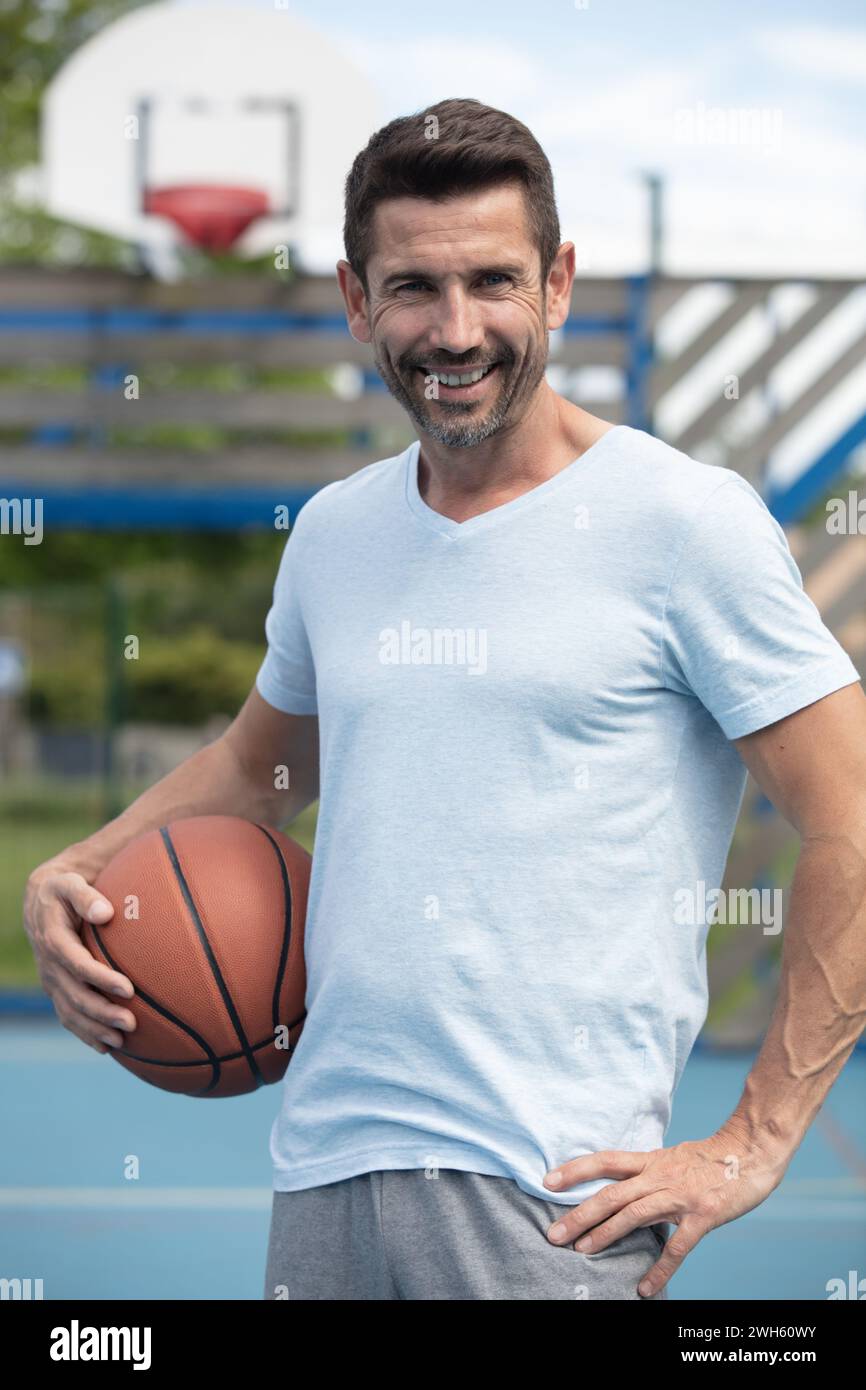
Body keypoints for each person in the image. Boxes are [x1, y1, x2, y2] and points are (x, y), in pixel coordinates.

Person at [24, 98, 866, 1302]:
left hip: (546, 1202)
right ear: (357, 299)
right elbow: (256, 769)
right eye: (413, 287)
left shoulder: (682, 523)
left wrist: (754, 1140)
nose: (454, 329)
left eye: (492, 281)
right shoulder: (334, 532)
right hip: (324, 1171)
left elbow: (850, 815)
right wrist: (77, 868)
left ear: (558, 283)